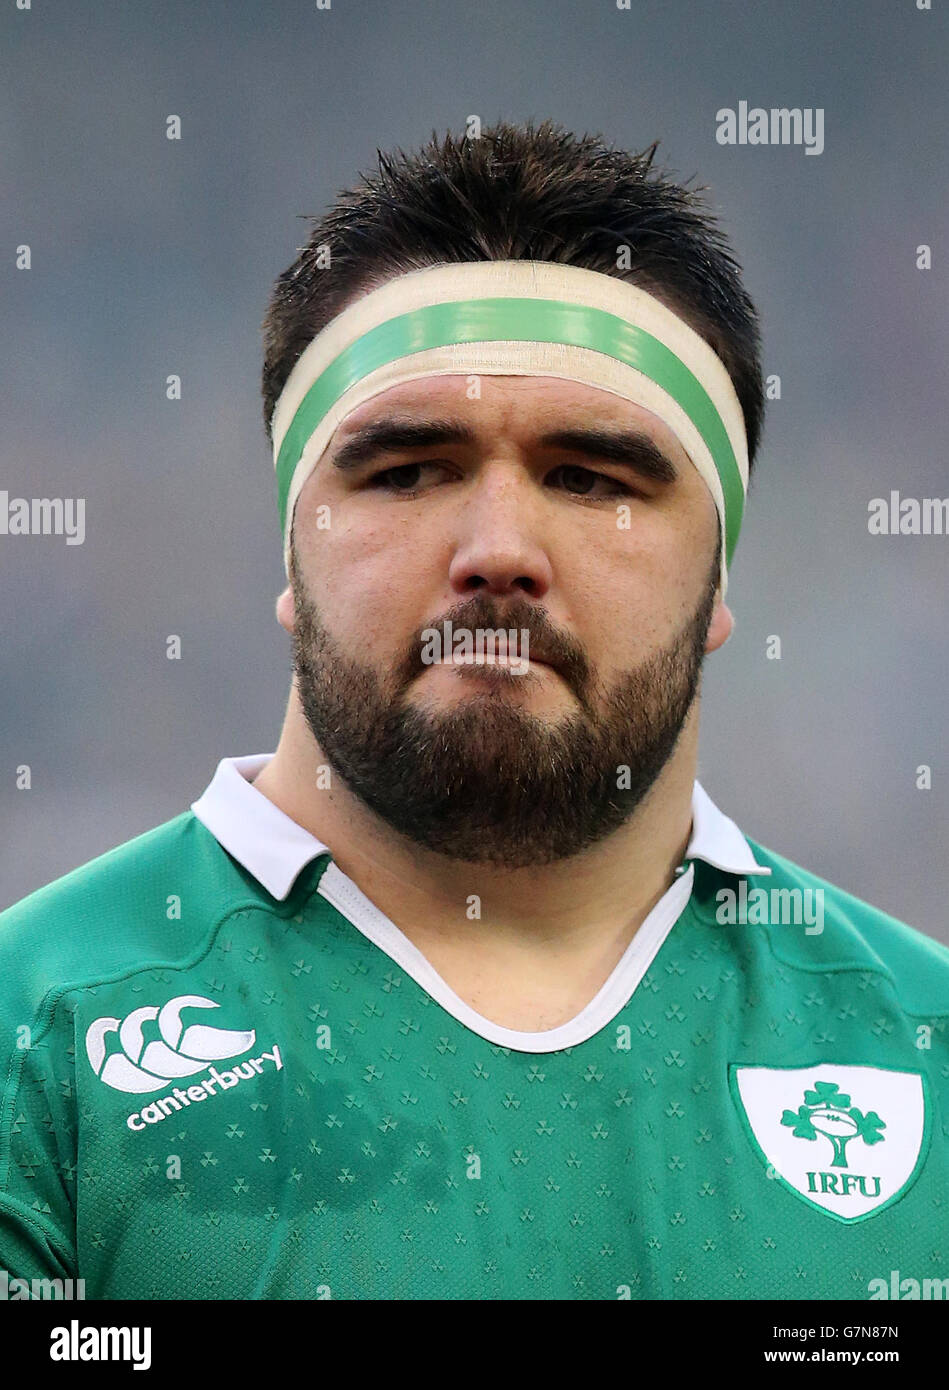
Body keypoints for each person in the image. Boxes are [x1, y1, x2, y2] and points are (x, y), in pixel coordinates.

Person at [1, 121, 946, 1301]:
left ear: (718, 582)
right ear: (293, 554)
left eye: (590, 478)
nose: (498, 550)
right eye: (407, 470)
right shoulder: (31, 1043)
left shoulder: (922, 1042)